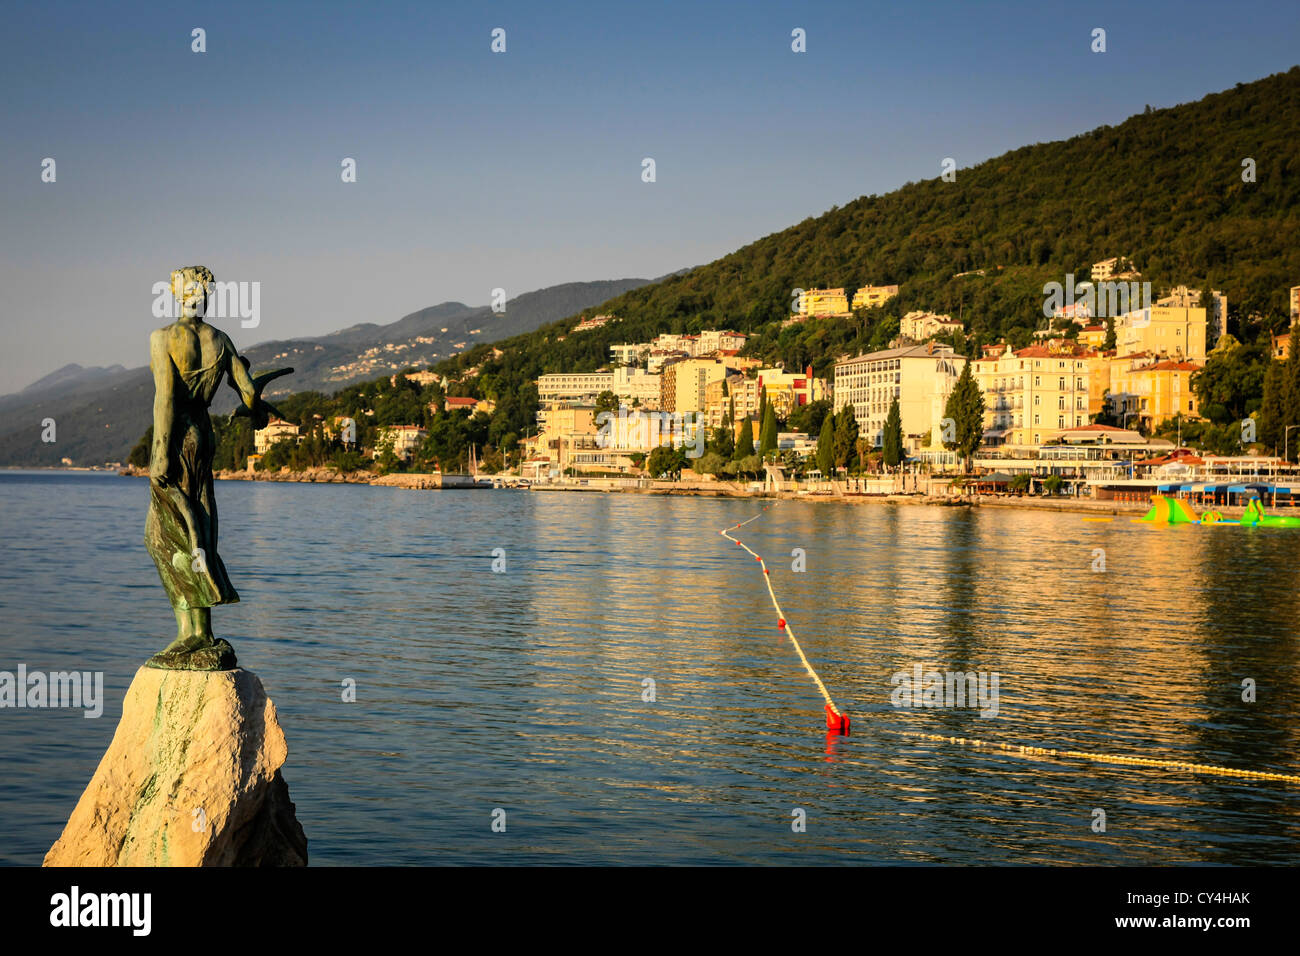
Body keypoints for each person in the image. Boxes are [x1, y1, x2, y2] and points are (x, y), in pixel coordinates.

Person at [143, 265, 286, 670]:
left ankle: (193, 631)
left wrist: (160, 452)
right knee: (199, 523)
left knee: (162, 536)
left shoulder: (164, 338)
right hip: (204, 435)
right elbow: (250, 395)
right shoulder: (221, 340)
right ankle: (196, 631)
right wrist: (254, 402)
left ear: (176, 293)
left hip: (179, 435)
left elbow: (166, 399)